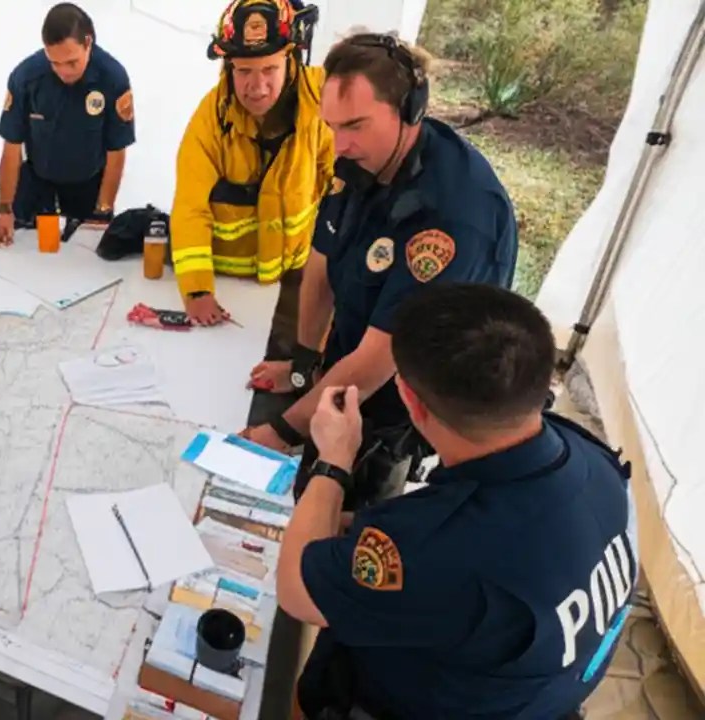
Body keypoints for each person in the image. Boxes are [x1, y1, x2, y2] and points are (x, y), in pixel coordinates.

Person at [276, 283, 638, 719]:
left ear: (409, 398)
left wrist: (334, 461)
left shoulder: (438, 548)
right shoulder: (591, 459)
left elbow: (296, 591)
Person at [242, 33, 518, 508]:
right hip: (352, 362)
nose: (339, 144)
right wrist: (305, 369)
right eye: (331, 126)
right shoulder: (363, 158)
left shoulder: (451, 216)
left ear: (409, 110)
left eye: (355, 126)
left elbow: (376, 363)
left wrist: (282, 431)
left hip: (405, 400)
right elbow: (322, 265)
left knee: (346, 519)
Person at [171, 0, 334, 347]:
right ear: (228, 67)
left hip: (296, 275)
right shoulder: (210, 119)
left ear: (291, 60)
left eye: (269, 70)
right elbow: (190, 207)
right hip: (227, 286)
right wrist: (198, 289)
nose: (256, 87)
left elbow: (340, 186)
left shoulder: (320, 101)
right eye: (243, 71)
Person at [0, 2, 135, 245]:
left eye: (71, 62)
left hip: (87, 184)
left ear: (88, 43)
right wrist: (5, 210)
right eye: (54, 63)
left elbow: (116, 151)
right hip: (40, 183)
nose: (63, 72)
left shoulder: (112, 78)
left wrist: (103, 210)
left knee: (83, 261)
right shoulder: (26, 77)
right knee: (37, 255)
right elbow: (11, 148)